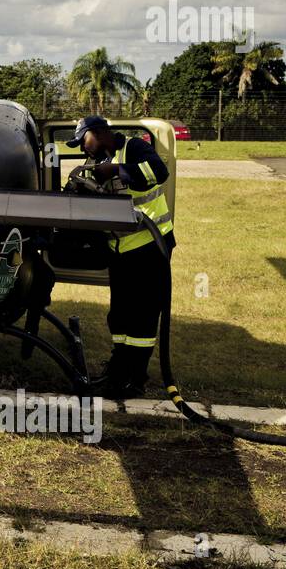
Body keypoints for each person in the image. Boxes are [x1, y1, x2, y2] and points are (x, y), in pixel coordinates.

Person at [66, 115, 175, 398]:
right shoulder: (94, 164)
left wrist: (116, 170)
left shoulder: (135, 148)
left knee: (143, 316)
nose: (83, 149)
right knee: (120, 316)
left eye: (84, 141)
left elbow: (158, 172)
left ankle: (134, 378)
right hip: (120, 250)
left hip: (150, 247)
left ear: (100, 132)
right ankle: (119, 367)